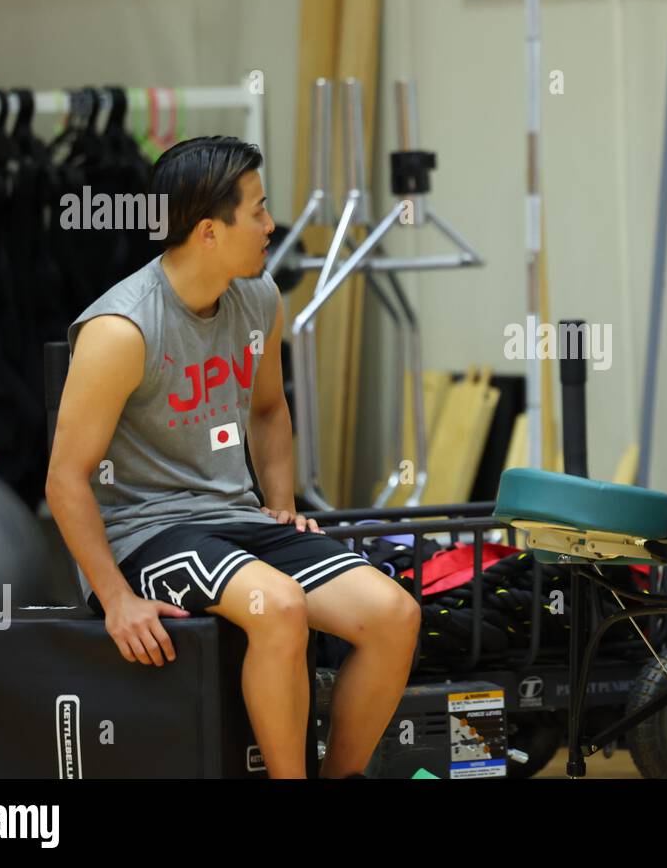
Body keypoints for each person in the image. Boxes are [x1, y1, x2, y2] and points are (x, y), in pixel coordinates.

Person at [46, 136, 419, 777]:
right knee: (277, 606)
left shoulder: (259, 298)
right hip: (146, 533)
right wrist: (114, 599)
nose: (272, 225)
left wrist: (280, 507)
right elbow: (65, 479)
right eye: (259, 211)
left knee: (394, 615)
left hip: (236, 521)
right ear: (209, 231)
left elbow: (269, 411)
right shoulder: (121, 330)